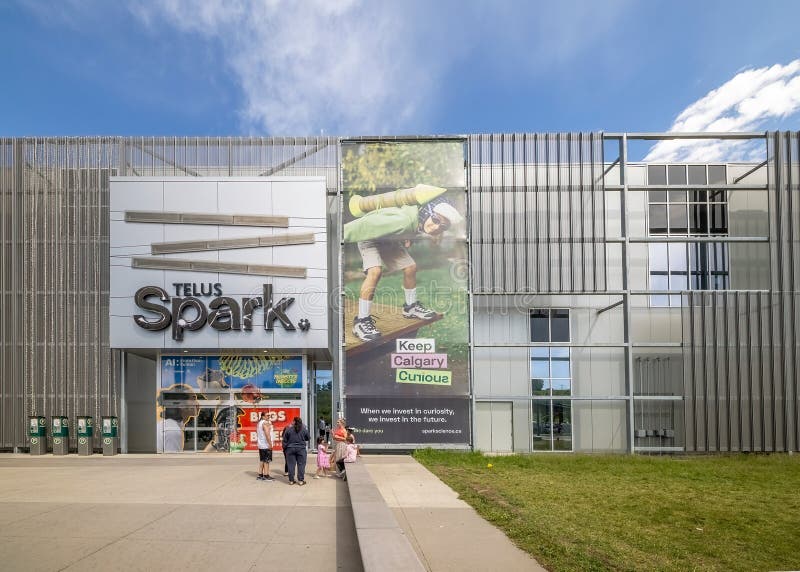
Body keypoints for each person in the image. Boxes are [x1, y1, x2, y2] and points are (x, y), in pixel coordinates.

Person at [343, 196, 464, 342]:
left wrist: (407, 237)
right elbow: (366, 224)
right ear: (426, 212)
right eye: (436, 220)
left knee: (410, 268)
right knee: (375, 272)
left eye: (443, 226)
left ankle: (410, 307)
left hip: (386, 239)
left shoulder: (418, 221)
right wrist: (340, 234)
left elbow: (403, 230)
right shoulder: (403, 220)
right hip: (369, 236)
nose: (437, 227)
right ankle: (361, 322)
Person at [156, 384, 200, 453]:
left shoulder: (168, 425)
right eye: (193, 399)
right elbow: (172, 462)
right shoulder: (172, 431)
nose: (197, 403)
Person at [282, 416, 310, 485]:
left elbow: (284, 440)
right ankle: (300, 481)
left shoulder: (288, 429)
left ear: (294, 422)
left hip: (290, 449)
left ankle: (291, 480)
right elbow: (308, 438)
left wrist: (285, 448)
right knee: (301, 465)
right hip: (301, 449)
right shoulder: (304, 429)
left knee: (291, 465)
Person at [256, 412, 275, 481]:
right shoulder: (265, 423)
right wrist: (270, 444)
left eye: (269, 415)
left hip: (261, 444)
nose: (269, 416)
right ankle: (266, 476)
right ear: (263, 416)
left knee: (262, 460)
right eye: (267, 415)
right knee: (267, 461)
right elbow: (267, 434)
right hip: (266, 445)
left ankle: (260, 475)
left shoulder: (259, 423)